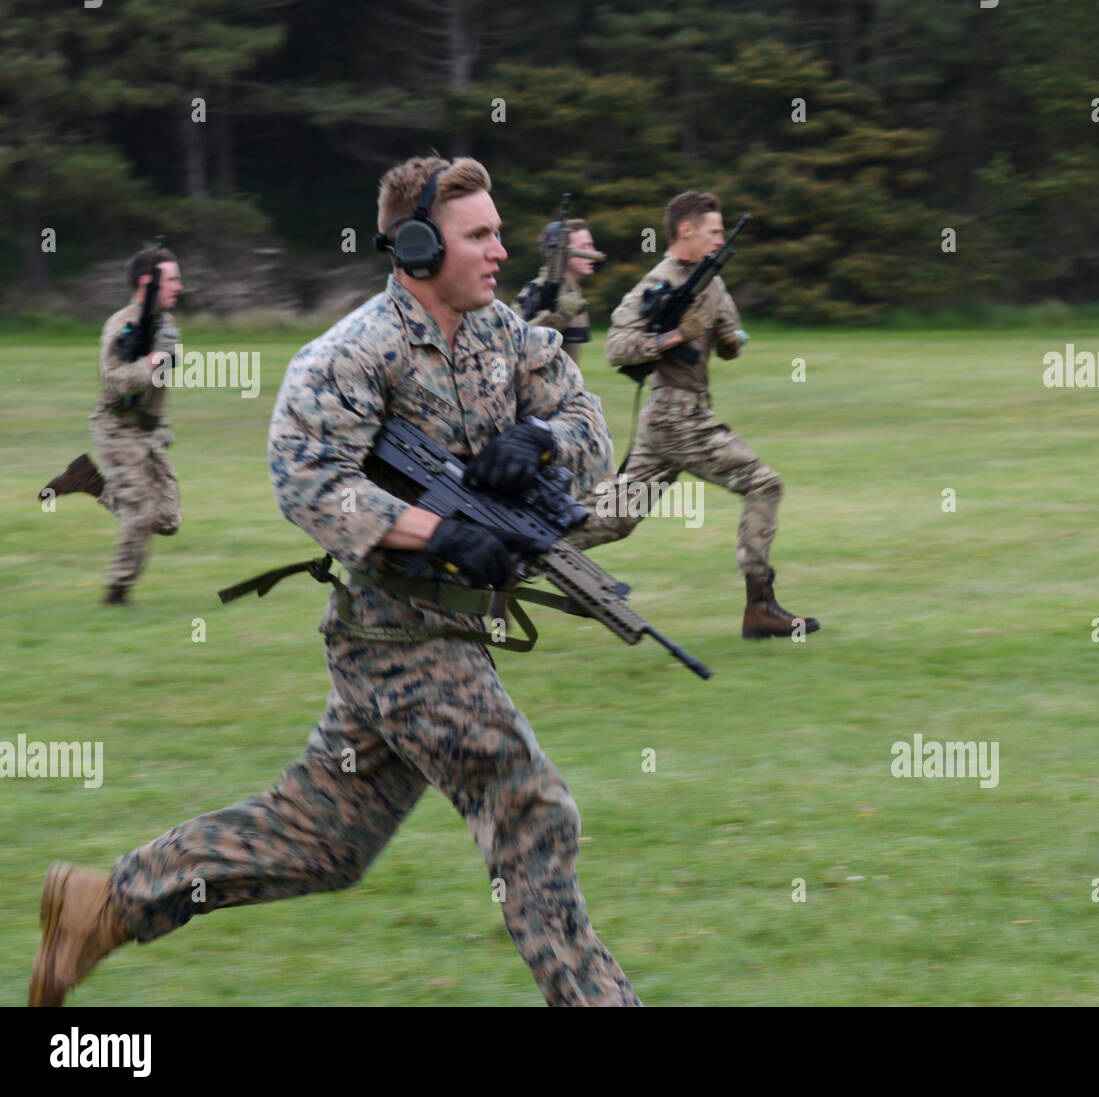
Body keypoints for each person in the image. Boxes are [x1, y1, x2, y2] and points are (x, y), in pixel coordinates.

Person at [29, 154, 641, 1008]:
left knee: (322, 841)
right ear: (420, 247)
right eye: (481, 235)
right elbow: (308, 477)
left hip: (453, 630)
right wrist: (445, 533)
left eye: (499, 231)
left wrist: (537, 437)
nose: (501, 250)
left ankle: (105, 904)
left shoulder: (509, 334)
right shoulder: (353, 352)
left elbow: (588, 430)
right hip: (395, 634)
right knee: (531, 807)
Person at [565, 191, 821, 639]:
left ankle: (521, 556)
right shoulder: (656, 282)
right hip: (675, 416)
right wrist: (673, 337)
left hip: (674, 417)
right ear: (687, 231)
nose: (721, 239)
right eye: (715, 231)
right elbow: (615, 349)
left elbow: (729, 344)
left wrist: (728, 339)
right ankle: (759, 606)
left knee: (616, 519)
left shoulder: (712, 281)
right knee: (764, 484)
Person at [39, 247, 184, 605]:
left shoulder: (166, 327)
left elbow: (159, 386)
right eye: (173, 279)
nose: (180, 287)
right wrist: (150, 362)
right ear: (147, 283)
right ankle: (117, 593)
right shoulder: (121, 326)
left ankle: (86, 480)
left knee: (166, 520)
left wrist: (159, 427)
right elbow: (115, 383)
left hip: (148, 432)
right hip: (116, 428)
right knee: (139, 515)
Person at [511, 217, 603, 364]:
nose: (593, 252)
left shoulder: (572, 292)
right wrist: (561, 316)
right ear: (560, 252)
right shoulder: (536, 292)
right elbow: (515, 348)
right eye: (584, 247)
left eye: (591, 245)